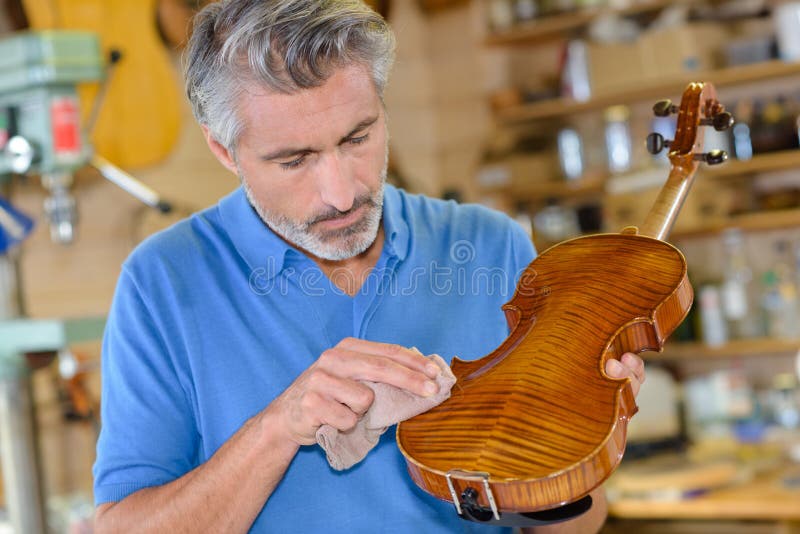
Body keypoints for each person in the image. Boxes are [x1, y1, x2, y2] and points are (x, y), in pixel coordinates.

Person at [92, 1, 646, 532]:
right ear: (224, 151)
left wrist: (591, 430)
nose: (340, 194)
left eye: (357, 138)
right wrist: (277, 428)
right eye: (294, 159)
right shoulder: (161, 282)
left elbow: (562, 527)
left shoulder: (489, 246)